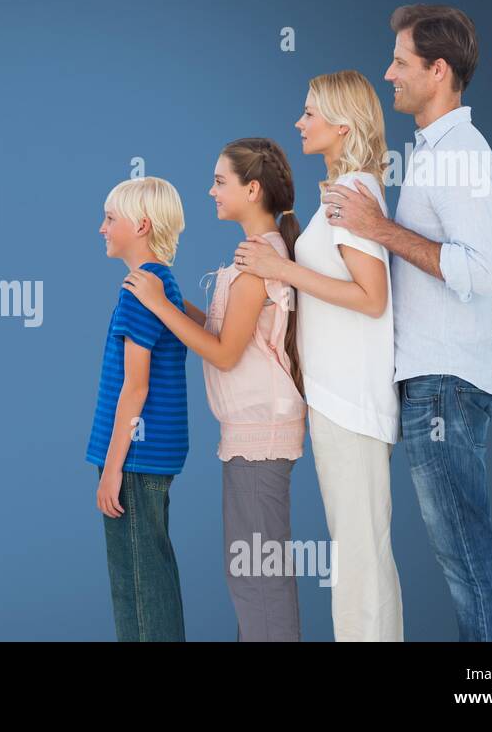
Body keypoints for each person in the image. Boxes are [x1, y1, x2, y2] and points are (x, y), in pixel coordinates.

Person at [321, 5, 492, 641]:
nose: (389, 73)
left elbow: (478, 269)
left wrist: (376, 229)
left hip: (447, 383)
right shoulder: (434, 153)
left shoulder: (464, 154)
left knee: (467, 559)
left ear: (439, 70)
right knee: (462, 556)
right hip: (433, 384)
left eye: (401, 62)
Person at [234, 70, 403, 641]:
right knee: (358, 548)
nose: (298, 123)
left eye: (309, 113)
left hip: (351, 399)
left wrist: (281, 270)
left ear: (342, 124)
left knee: (358, 551)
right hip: (336, 398)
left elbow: (372, 298)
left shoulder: (351, 193)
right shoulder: (346, 190)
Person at [124, 139, 304, 641]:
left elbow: (225, 353)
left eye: (221, 182)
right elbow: (232, 335)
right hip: (248, 441)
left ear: (252, 188)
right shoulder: (256, 255)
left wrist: (161, 308)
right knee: (251, 577)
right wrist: (177, 303)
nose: (211, 191)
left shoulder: (259, 260)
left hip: (259, 442)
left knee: (259, 582)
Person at [86, 176, 190, 641]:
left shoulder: (141, 289)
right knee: (145, 578)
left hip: (133, 459)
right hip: (145, 457)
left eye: (111, 219)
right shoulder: (158, 284)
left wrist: (112, 468)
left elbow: (136, 387)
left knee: (138, 587)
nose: (102, 229)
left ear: (142, 225)